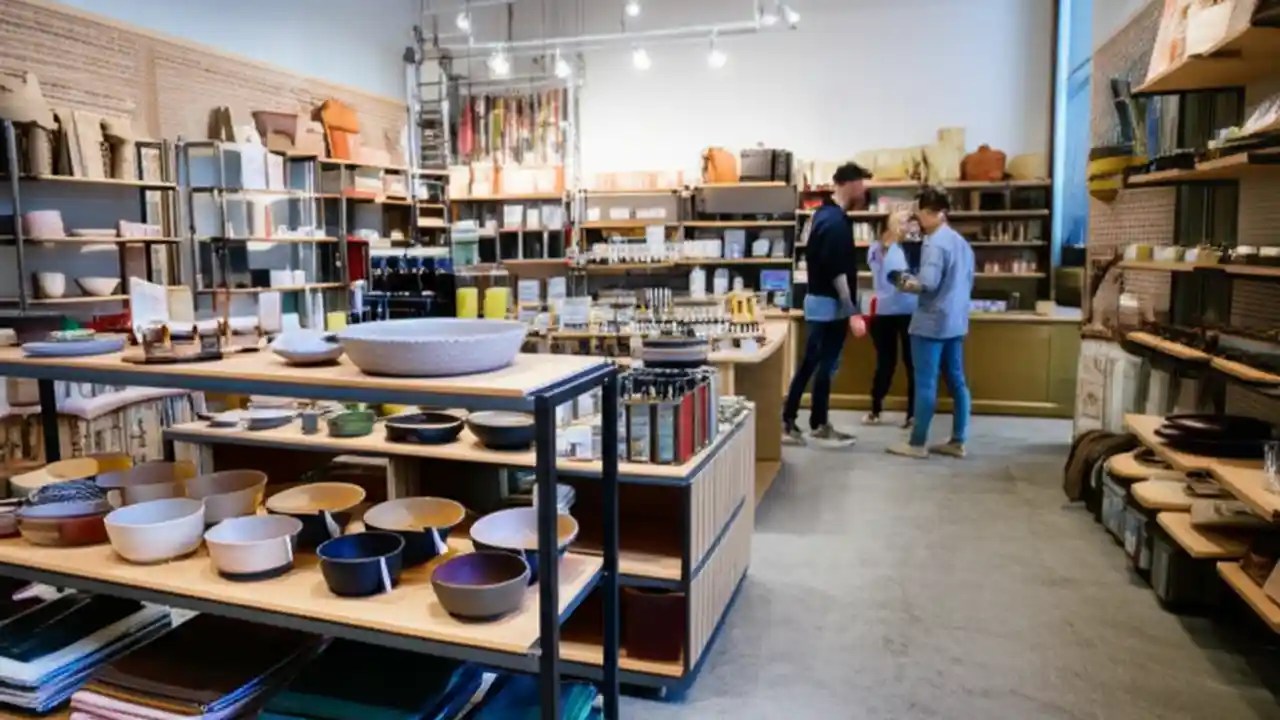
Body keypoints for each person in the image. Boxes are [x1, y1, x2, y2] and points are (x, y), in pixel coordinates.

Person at [782, 162, 870, 446]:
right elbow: (837, 271)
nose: (865, 190)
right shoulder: (834, 222)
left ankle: (816, 423)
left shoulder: (825, 215)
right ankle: (790, 422)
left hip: (823, 303)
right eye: (862, 184)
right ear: (849, 184)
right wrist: (852, 311)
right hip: (827, 306)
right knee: (813, 364)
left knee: (820, 365)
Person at [887, 187, 974, 459]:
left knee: (925, 382)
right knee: (957, 382)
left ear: (928, 212)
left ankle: (916, 443)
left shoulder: (935, 243)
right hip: (955, 321)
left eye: (919, 214)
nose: (918, 221)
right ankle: (958, 440)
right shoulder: (960, 242)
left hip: (931, 323)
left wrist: (898, 279)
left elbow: (926, 284)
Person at [864, 209, 917, 428]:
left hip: (895, 310)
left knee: (900, 363)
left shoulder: (876, 249)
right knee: (894, 363)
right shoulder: (900, 249)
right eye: (905, 222)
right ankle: (879, 408)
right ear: (893, 223)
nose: (909, 226)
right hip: (897, 310)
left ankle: (898, 412)